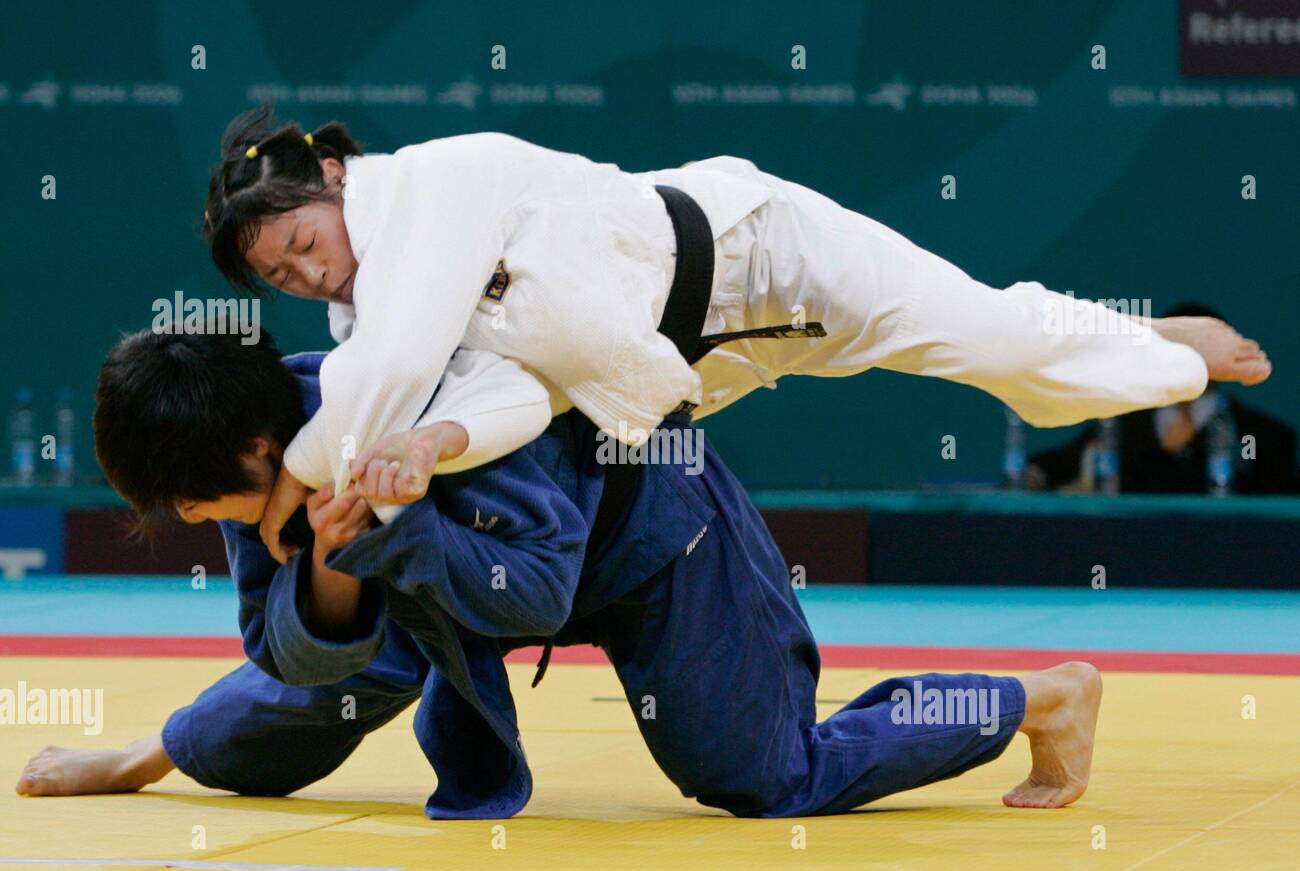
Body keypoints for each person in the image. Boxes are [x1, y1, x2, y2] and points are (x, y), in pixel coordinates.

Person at [20, 327, 1099, 815]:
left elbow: (531, 588)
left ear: (259, 449)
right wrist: (339, 561)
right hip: (436, 575)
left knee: (765, 781)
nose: (193, 521)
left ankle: (1036, 696)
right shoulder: (251, 448)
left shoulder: (414, 398)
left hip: (649, 531)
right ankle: (144, 756)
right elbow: (289, 653)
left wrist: (381, 537)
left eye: (199, 503)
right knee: (305, 700)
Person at [200, 106, 1271, 562]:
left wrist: (291, 484)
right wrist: (429, 446)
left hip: (769, 251)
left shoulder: (432, 183)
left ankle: (1168, 346)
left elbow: (381, 369)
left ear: (334, 179)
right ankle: (1148, 348)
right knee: (1005, 352)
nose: (304, 270)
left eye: (298, 237)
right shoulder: (381, 321)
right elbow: (521, 394)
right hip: (729, 357)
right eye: (277, 276)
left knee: (996, 344)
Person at [1028, 303, 1297, 494]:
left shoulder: (1263, 436)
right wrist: (1033, 476)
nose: (1195, 357)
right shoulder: (1119, 422)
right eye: (1183, 346)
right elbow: (1061, 463)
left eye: (1206, 346)